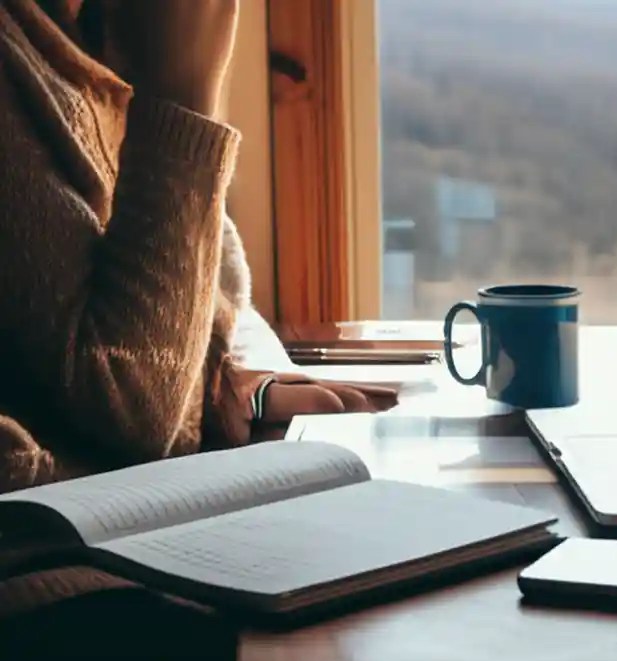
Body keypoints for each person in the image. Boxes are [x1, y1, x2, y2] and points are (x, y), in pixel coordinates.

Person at [0, 0, 395, 606]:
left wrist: (223, 387)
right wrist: (182, 94)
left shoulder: (78, 32)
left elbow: (212, 286)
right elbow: (137, 415)